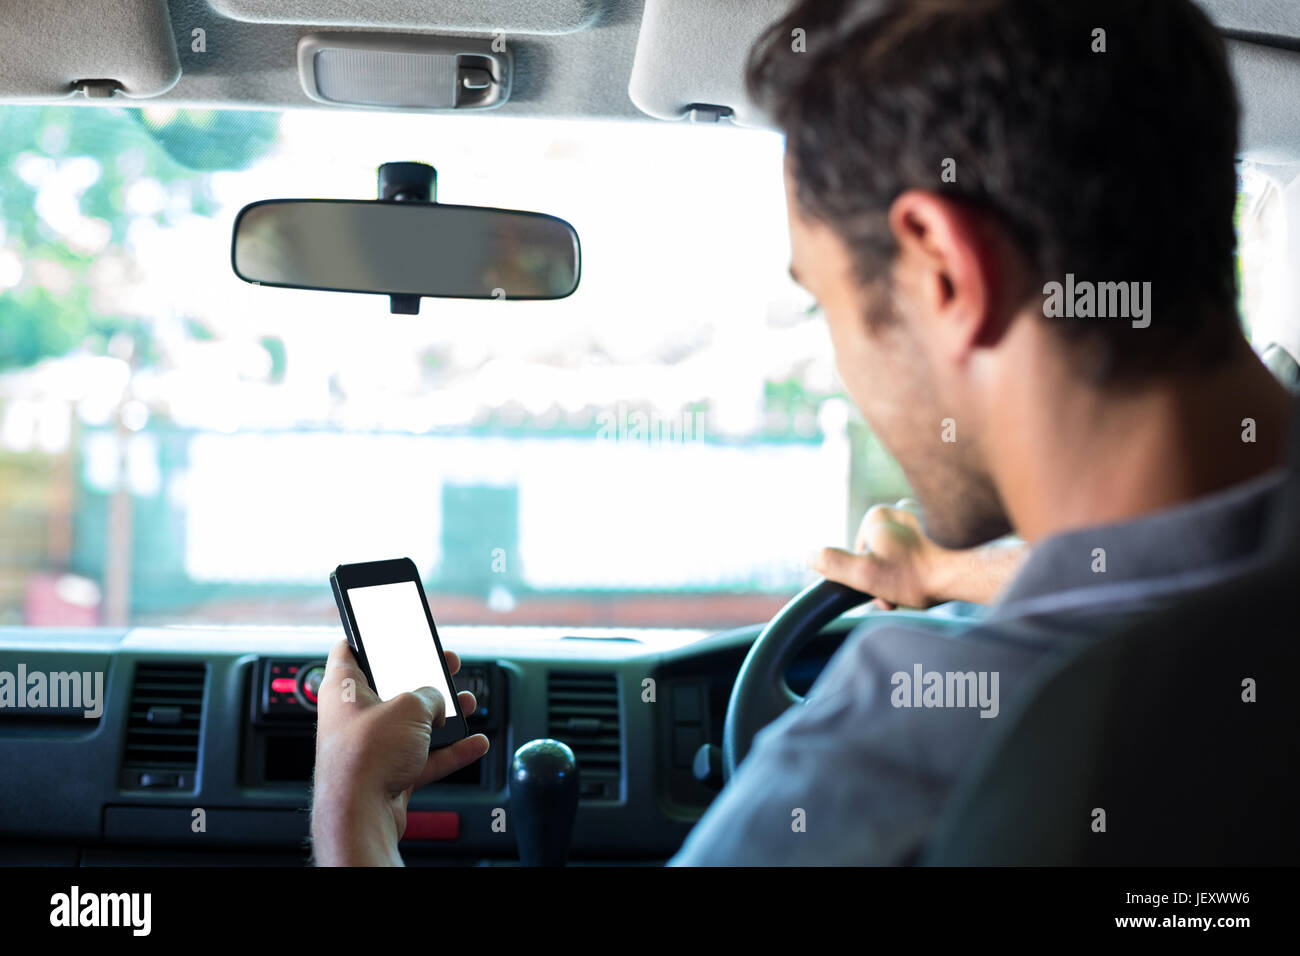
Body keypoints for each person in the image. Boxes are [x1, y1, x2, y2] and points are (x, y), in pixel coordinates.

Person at [310, 0, 1297, 865]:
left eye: (827, 301)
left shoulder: (903, 736)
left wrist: (351, 822)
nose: (847, 365)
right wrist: (948, 576)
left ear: (944, 275)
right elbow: (1163, 568)